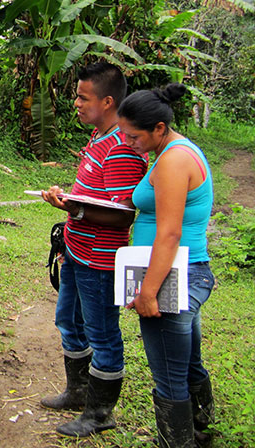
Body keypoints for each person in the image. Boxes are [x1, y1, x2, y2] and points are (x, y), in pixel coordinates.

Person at [40, 62, 148, 438]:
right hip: (76, 250)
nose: (75, 103)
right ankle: (78, 391)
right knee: (68, 322)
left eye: (82, 97)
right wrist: (70, 202)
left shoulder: (122, 148)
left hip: (100, 259)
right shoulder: (98, 140)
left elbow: (122, 216)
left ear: (106, 101)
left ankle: (100, 413)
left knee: (102, 334)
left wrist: (75, 207)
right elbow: (96, 196)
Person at [118, 84, 216, 448]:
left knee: (169, 375)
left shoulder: (173, 160)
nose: (128, 143)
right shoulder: (173, 151)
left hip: (172, 275)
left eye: (134, 136)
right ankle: (200, 427)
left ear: (159, 128)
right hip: (182, 270)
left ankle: (178, 441)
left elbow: (170, 233)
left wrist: (148, 292)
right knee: (188, 360)